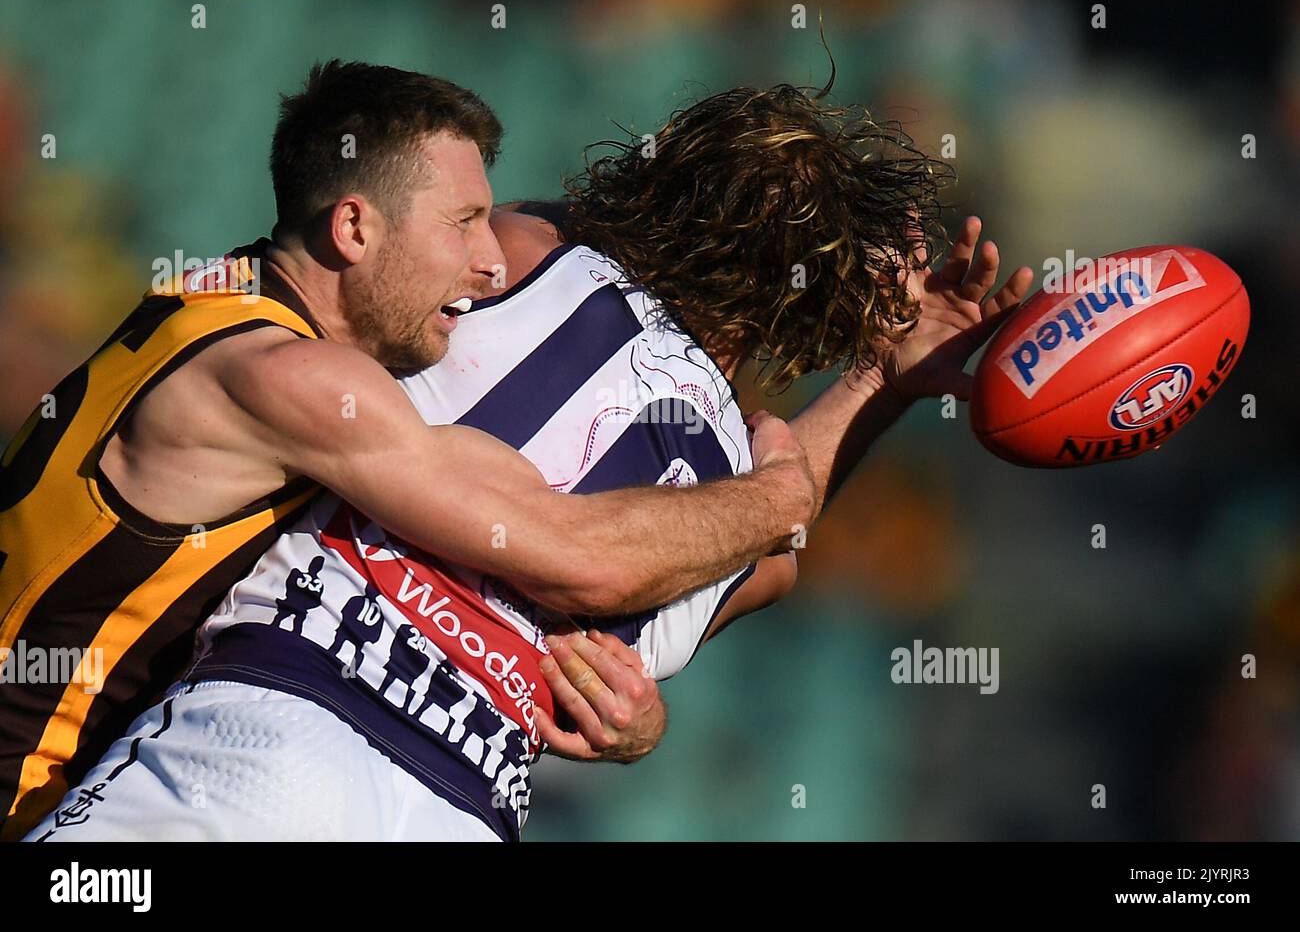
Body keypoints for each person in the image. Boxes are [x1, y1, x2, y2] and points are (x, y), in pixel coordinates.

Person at [28, 81, 1033, 841]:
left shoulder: (517, 254)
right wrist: (871, 387)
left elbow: (725, 540)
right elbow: (741, 552)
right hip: (462, 803)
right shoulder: (738, 488)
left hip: (281, 724)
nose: (472, 253)